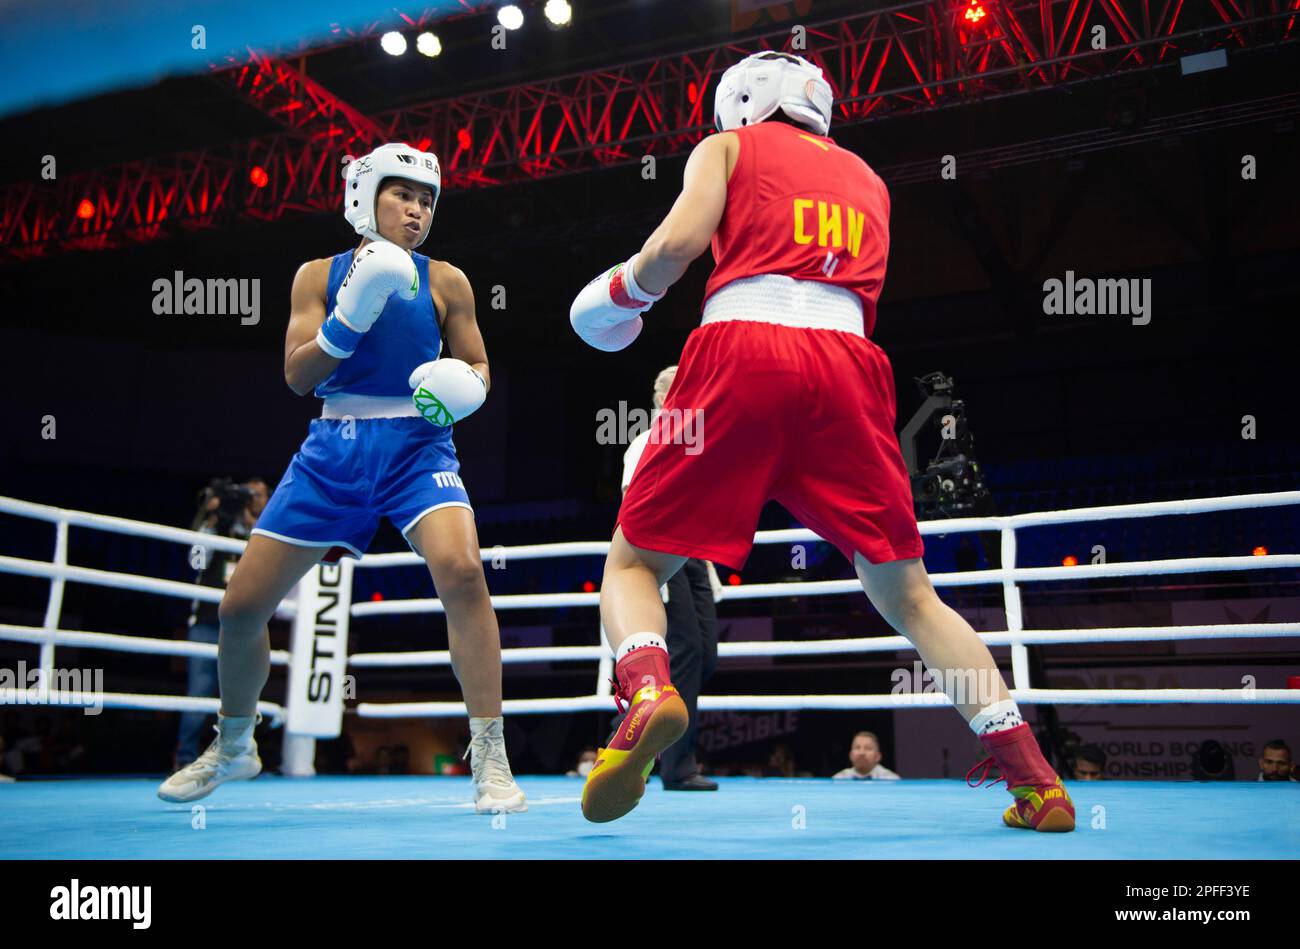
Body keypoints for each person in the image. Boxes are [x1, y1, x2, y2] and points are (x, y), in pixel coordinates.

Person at [569, 51, 1073, 830]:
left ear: (742, 101)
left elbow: (674, 249)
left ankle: (645, 689)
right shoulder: (871, 180)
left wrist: (614, 297)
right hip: (850, 372)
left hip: (742, 352)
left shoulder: (726, 147)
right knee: (912, 598)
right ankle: (1037, 782)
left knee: (634, 560)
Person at [157, 143, 525, 814]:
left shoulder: (448, 281)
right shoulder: (314, 276)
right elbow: (299, 376)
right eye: (403, 195)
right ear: (365, 196)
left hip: (417, 443)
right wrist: (350, 315)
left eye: (426, 201)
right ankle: (236, 742)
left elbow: (479, 365)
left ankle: (492, 759)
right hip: (334, 447)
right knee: (239, 607)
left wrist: (464, 386)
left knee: (464, 572)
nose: (416, 210)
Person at [619, 365, 721, 791]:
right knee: (685, 651)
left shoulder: (698, 443)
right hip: (660, 549)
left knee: (704, 656)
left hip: (697, 554)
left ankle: (628, 727)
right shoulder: (646, 442)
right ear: (661, 399)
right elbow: (630, 504)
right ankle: (676, 767)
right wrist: (648, 571)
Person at [175, 477, 269, 769]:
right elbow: (196, 562)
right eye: (248, 493)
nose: (253, 498)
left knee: (246, 692)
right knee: (198, 692)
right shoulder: (218, 528)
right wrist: (211, 517)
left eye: (259, 494)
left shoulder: (267, 534)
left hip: (247, 624)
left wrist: (252, 522)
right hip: (206, 620)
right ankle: (186, 759)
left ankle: (244, 758)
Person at [832, 731, 900, 780]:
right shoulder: (839, 779)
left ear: (878, 756)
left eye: (868, 748)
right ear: (850, 755)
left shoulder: (891, 780)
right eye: (857, 747)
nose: (861, 753)